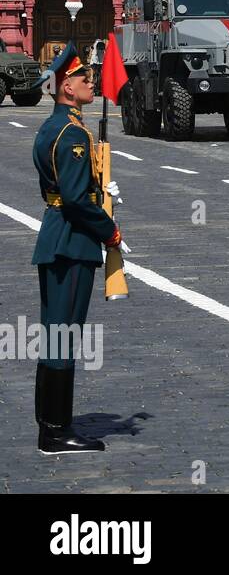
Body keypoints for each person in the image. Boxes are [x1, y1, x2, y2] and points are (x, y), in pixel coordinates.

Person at [29, 44, 127, 454]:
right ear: (66, 87)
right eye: (85, 78)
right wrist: (110, 230)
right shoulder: (70, 134)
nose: (92, 83)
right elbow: (72, 199)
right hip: (71, 244)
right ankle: (55, 431)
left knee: (56, 334)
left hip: (60, 238)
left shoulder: (56, 128)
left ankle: (51, 426)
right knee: (62, 336)